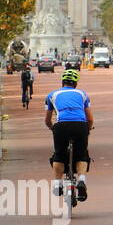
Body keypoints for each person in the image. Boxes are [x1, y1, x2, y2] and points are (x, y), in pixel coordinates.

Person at [45, 69, 93, 202]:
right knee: (82, 154)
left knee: (59, 155)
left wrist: (52, 128)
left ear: (62, 82)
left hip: (61, 126)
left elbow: (48, 120)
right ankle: (81, 180)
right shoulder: (82, 94)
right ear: (76, 83)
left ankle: (57, 184)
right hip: (80, 125)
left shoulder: (51, 95)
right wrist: (87, 129)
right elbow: (90, 118)